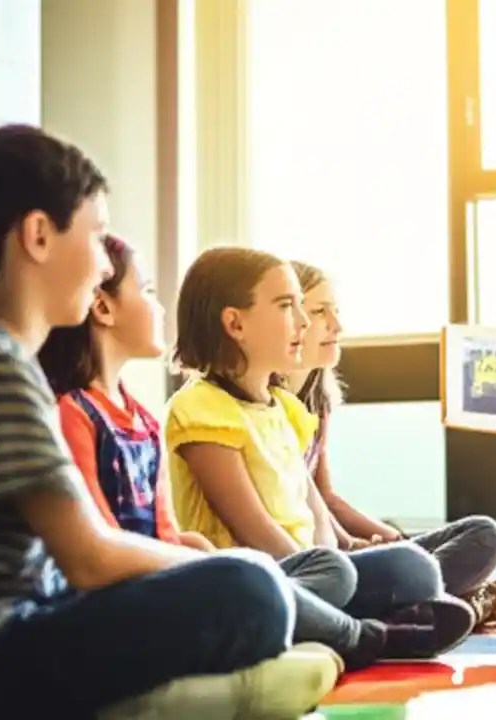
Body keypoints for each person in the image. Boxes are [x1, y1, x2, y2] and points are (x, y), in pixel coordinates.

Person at [0, 125, 338, 720]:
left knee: (249, 585)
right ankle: (201, 700)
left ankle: (198, 693)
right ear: (38, 236)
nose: (100, 259)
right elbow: (88, 557)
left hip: (20, 629)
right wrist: (215, 563)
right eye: (97, 234)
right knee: (250, 590)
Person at [38, 234, 445, 669]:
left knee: (406, 568)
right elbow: (97, 548)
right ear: (102, 307)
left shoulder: (143, 418)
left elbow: (165, 532)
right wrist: (200, 561)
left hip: (243, 570)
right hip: (142, 592)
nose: (306, 324)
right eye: (150, 291)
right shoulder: (80, 413)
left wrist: (190, 551)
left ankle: (318, 623)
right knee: (279, 579)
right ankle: (357, 634)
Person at [166, 247, 475, 656]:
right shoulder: (200, 407)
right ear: (234, 323)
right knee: (337, 573)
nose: (303, 321)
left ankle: (342, 619)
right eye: (286, 306)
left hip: (312, 569)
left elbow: (315, 512)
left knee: (412, 566)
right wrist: (328, 565)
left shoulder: (287, 409)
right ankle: (365, 630)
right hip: (258, 573)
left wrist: (342, 556)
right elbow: (250, 527)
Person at [285, 260, 496, 627]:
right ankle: (448, 607)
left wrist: (393, 538)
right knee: (408, 567)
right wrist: (351, 545)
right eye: (319, 312)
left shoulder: (317, 399)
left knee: (483, 534)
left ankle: (427, 605)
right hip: (313, 560)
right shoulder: (263, 407)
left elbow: (325, 496)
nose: (337, 325)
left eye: (336, 310)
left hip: (338, 549)